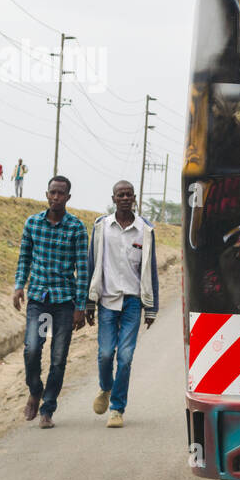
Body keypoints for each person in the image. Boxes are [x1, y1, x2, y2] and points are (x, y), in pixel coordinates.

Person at [12, 176, 89, 427]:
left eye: (61, 193)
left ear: (68, 197)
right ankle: (35, 390)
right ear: (47, 194)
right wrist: (18, 286)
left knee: (58, 358)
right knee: (32, 348)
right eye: (53, 192)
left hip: (64, 303)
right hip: (39, 300)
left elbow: (83, 270)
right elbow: (24, 257)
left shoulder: (76, 228)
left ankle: (48, 408)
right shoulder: (33, 223)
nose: (56, 197)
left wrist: (80, 305)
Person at [85, 180, 159, 428]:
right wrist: (89, 303)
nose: (125, 198)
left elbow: (151, 270)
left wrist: (151, 307)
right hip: (107, 300)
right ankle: (105, 387)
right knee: (106, 354)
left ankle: (117, 409)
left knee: (125, 357)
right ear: (114, 198)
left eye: (129, 195)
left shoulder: (145, 230)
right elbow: (92, 264)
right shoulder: (102, 227)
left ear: (135, 198)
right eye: (120, 195)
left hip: (132, 303)